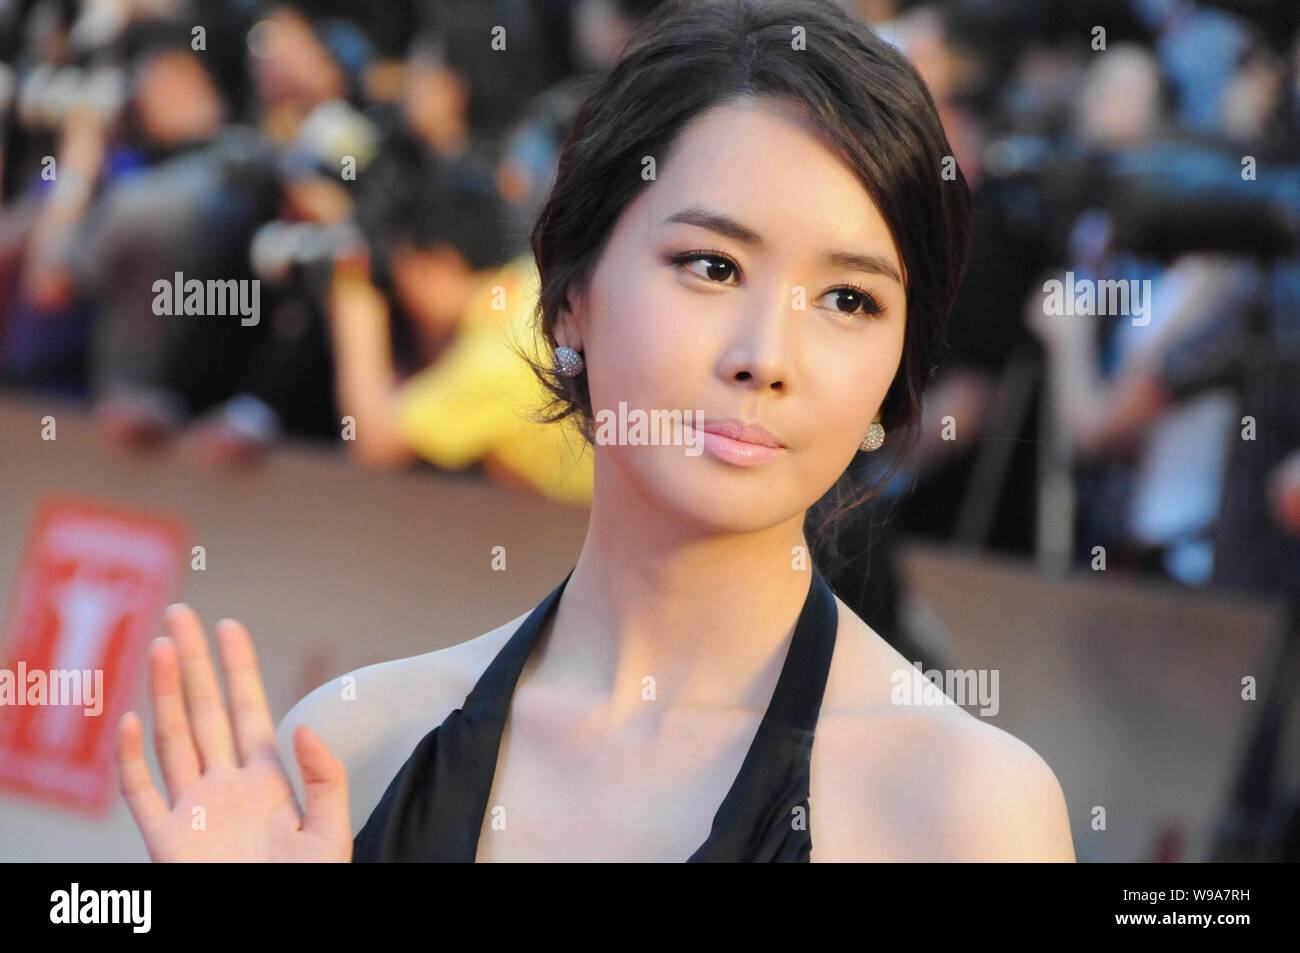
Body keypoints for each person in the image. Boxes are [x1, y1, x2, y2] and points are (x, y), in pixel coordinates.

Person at [114, 0, 1075, 862]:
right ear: (569, 294)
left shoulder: (965, 808)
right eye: (711, 265)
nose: (766, 355)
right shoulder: (360, 750)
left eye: (849, 298)